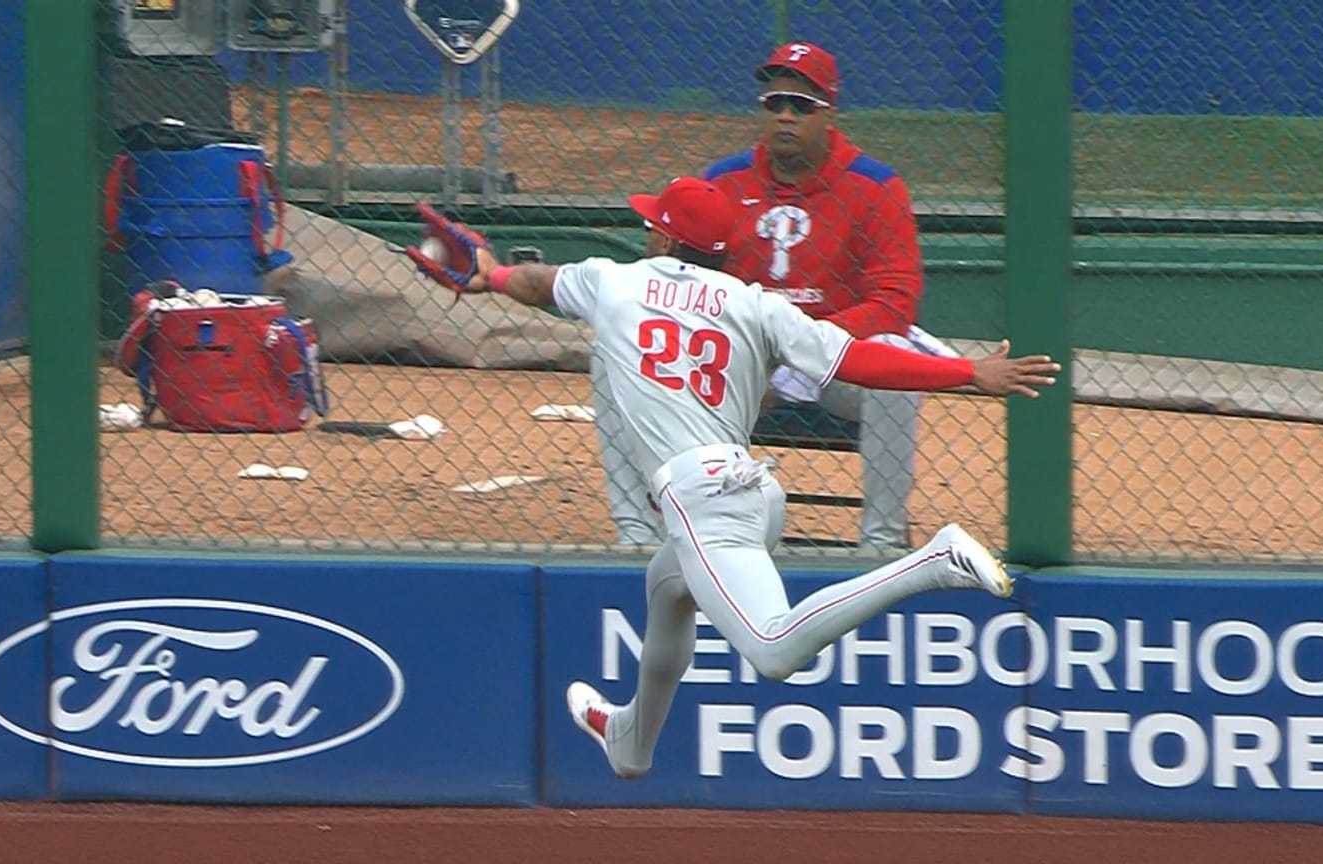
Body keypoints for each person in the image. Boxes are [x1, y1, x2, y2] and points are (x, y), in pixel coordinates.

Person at [449, 176, 1060, 779]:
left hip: (704, 499)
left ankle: (934, 562)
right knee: (668, 592)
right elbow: (858, 359)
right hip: (753, 493)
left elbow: (533, 282)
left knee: (773, 651)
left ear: (664, 242)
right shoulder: (756, 302)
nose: (644, 231)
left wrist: (488, 274)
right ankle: (629, 740)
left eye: (650, 225)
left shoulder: (614, 281)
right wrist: (965, 372)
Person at [593, 41, 932, 550]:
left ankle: (879, 546)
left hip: (831, 364)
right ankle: (637, 536)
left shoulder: (876, 185)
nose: (786, 116)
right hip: (734, 360)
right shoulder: (723, 182)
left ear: (830, 113)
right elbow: (678, 280)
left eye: (802, 105)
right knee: (617, 354)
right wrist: (755, 358)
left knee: (896, 360)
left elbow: (894, 303)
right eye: (774, 104)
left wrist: (799, 355)